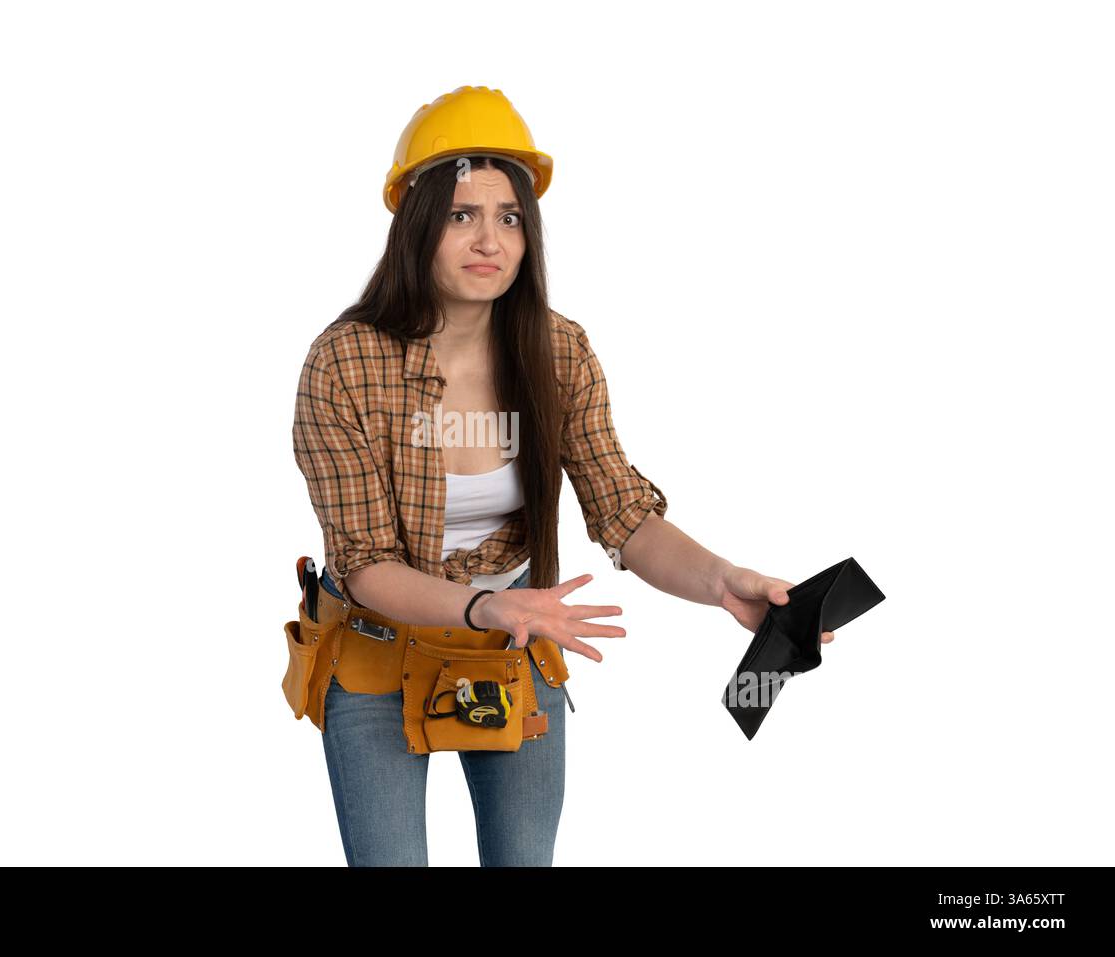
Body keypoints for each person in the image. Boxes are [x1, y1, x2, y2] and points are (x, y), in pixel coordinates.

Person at [291, 86, 836, 867]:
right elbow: (367, 562)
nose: (490, 240)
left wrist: (722, 580)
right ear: (415, 223)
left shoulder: (560, 351)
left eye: (509, 217)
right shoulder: (343, 362)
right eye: (460, 214)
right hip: (382, 647)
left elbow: (626, 515)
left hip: (514, 638)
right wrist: (486, 604)